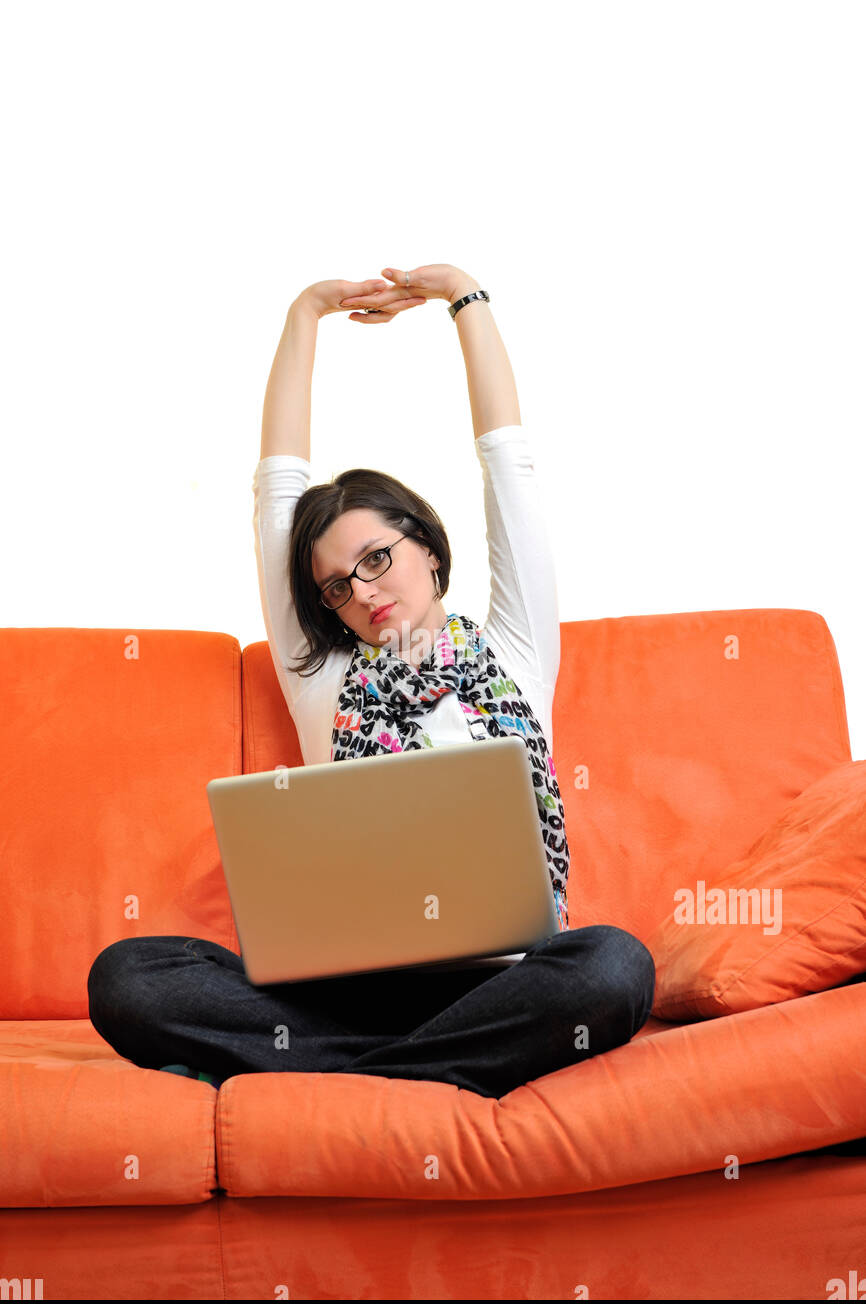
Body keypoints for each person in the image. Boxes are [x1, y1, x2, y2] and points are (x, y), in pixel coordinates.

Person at [87, 263, 656, 1100]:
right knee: (128, 974)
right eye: (336, 585)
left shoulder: (515, 648)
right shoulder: (324, 678)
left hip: (504, 982)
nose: (362, 591)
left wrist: (463, 298)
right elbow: (277, 488)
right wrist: (305, 310)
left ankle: (335, 1078)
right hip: (344, 991)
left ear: (427, 546)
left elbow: (511, 470)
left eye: (377, 559)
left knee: (613, 965)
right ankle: (427, 1072)